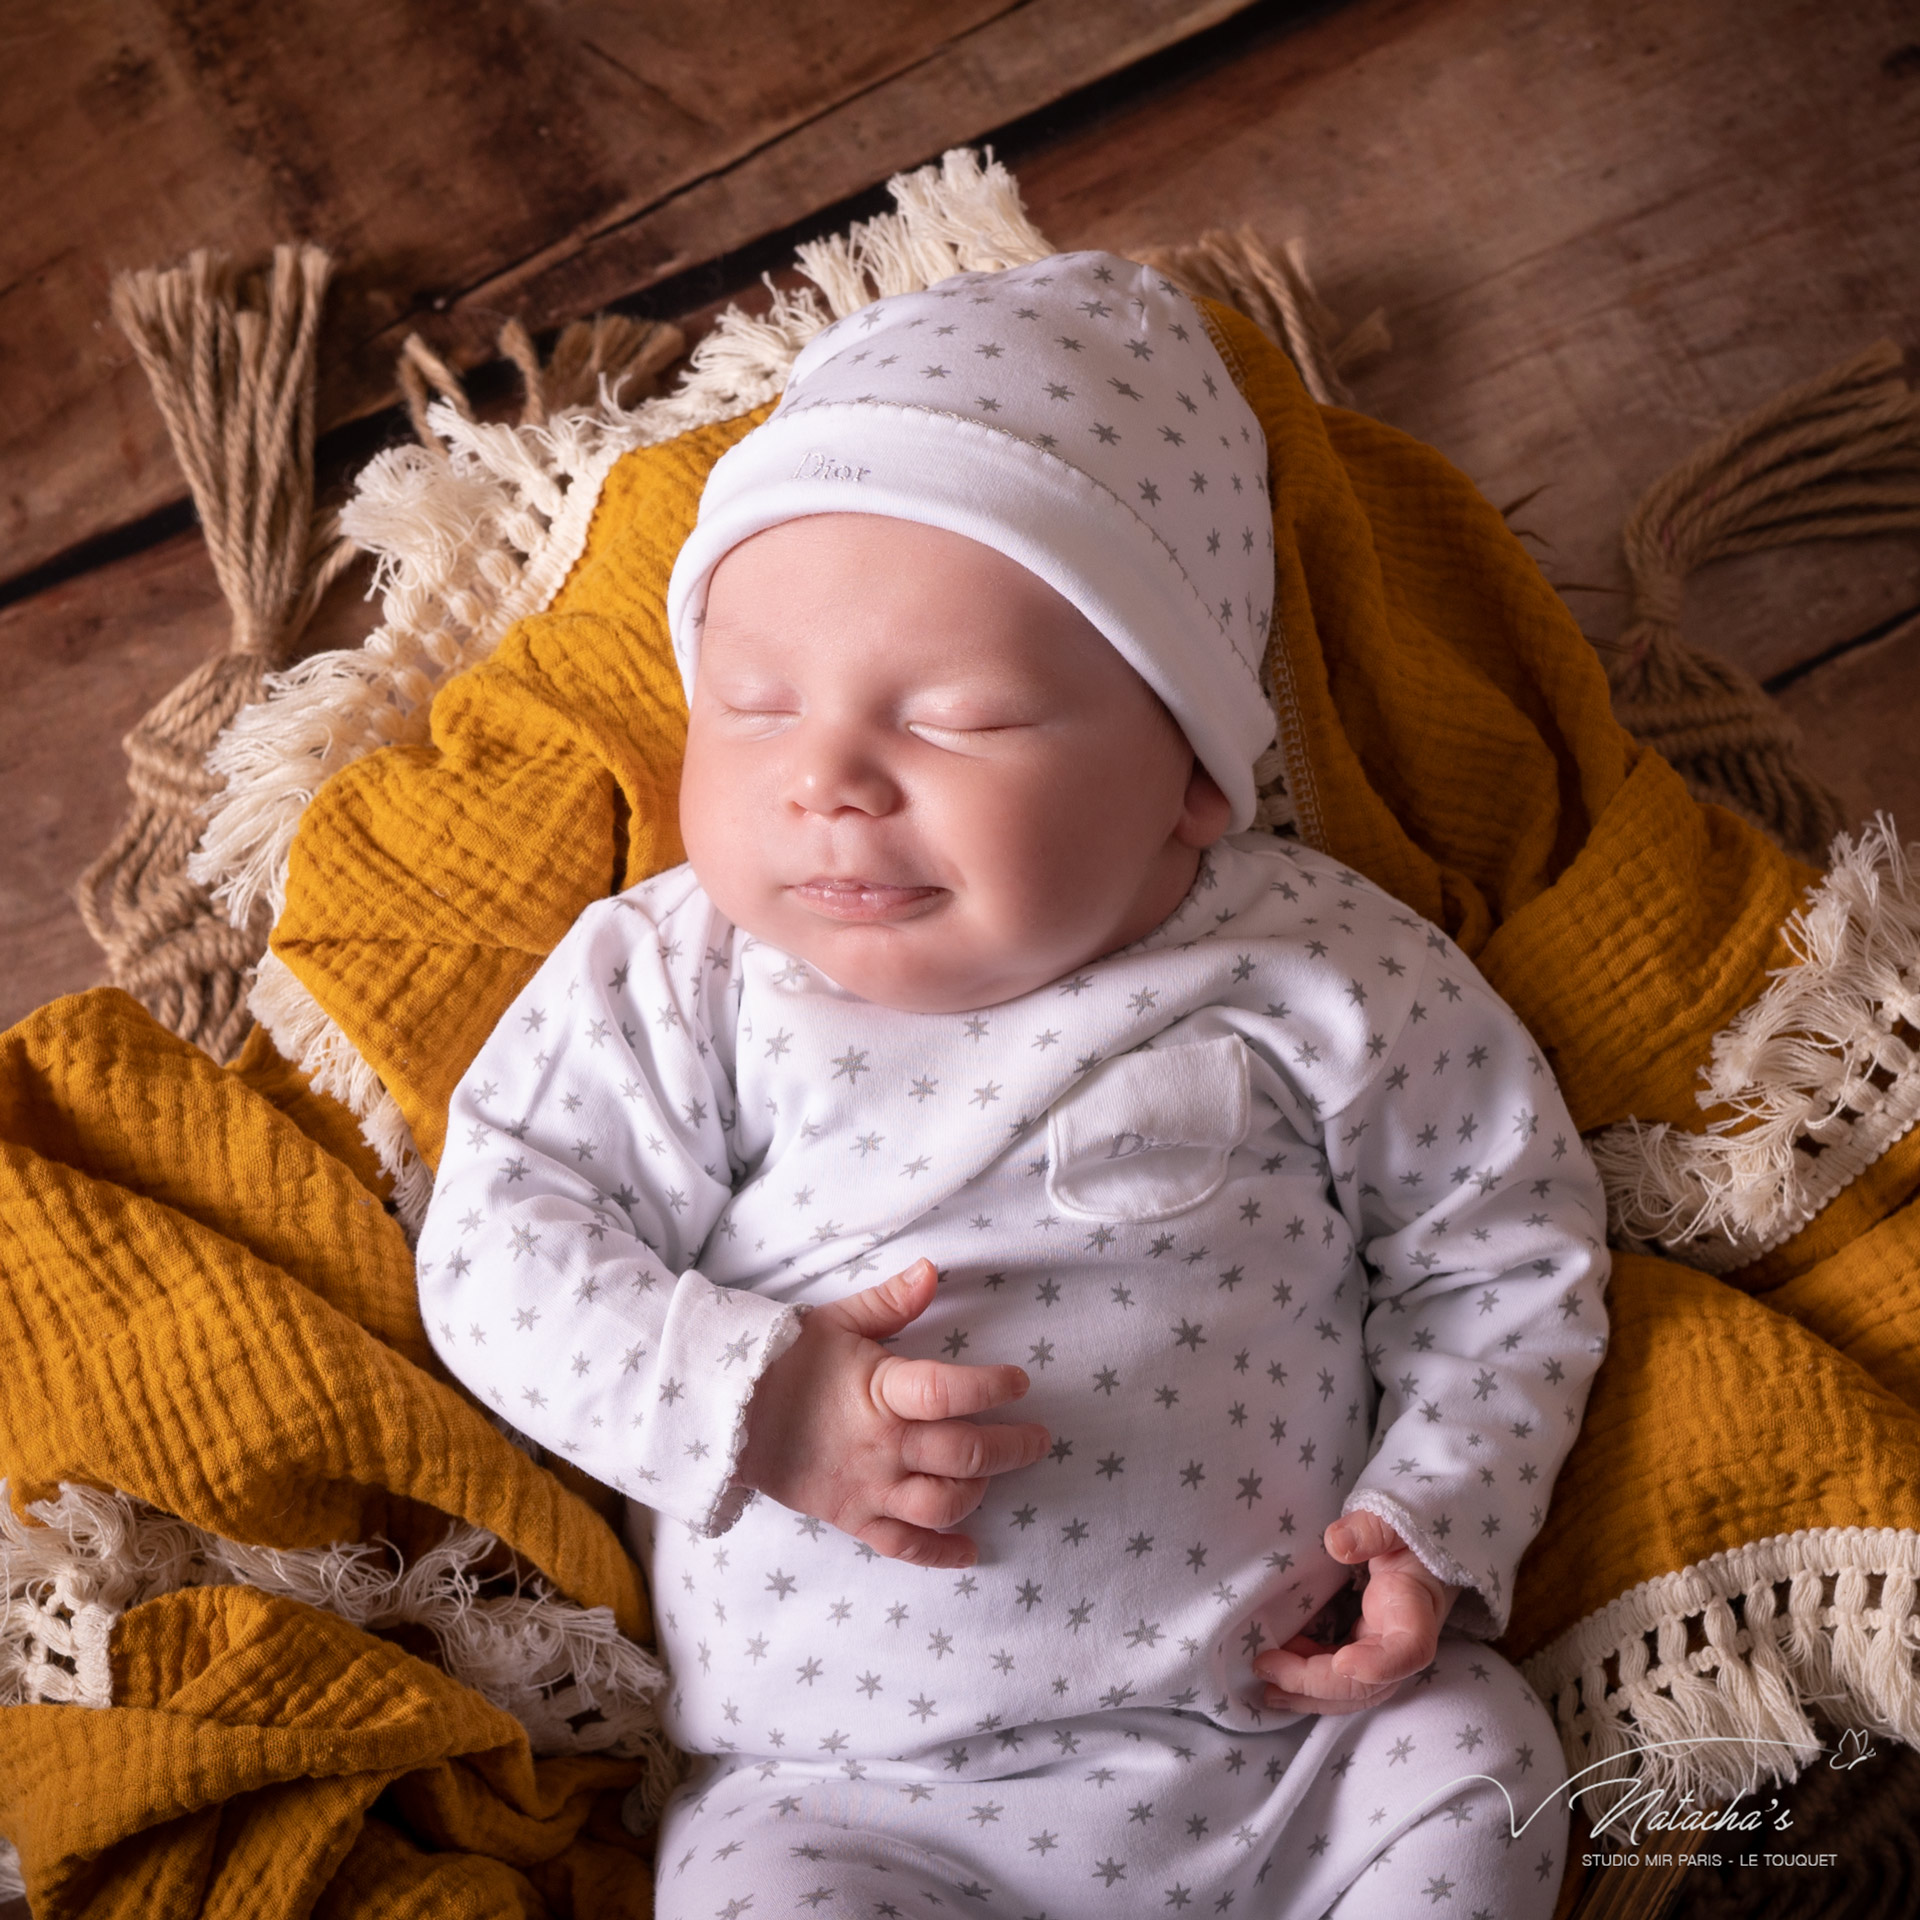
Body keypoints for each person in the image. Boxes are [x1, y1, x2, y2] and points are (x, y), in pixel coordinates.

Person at [416, 251, 1608, 1918]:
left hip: (1283, 1751)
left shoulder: (1321, 966)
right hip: (847, 1793)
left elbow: (1503, 1242)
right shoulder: (679, 979)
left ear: (1190, 770)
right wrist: (749, 1398)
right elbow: (497, 1241)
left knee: (1477, 1760)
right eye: (751, 710)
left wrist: (1435, 1512)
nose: (825, 778)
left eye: (956, 720)